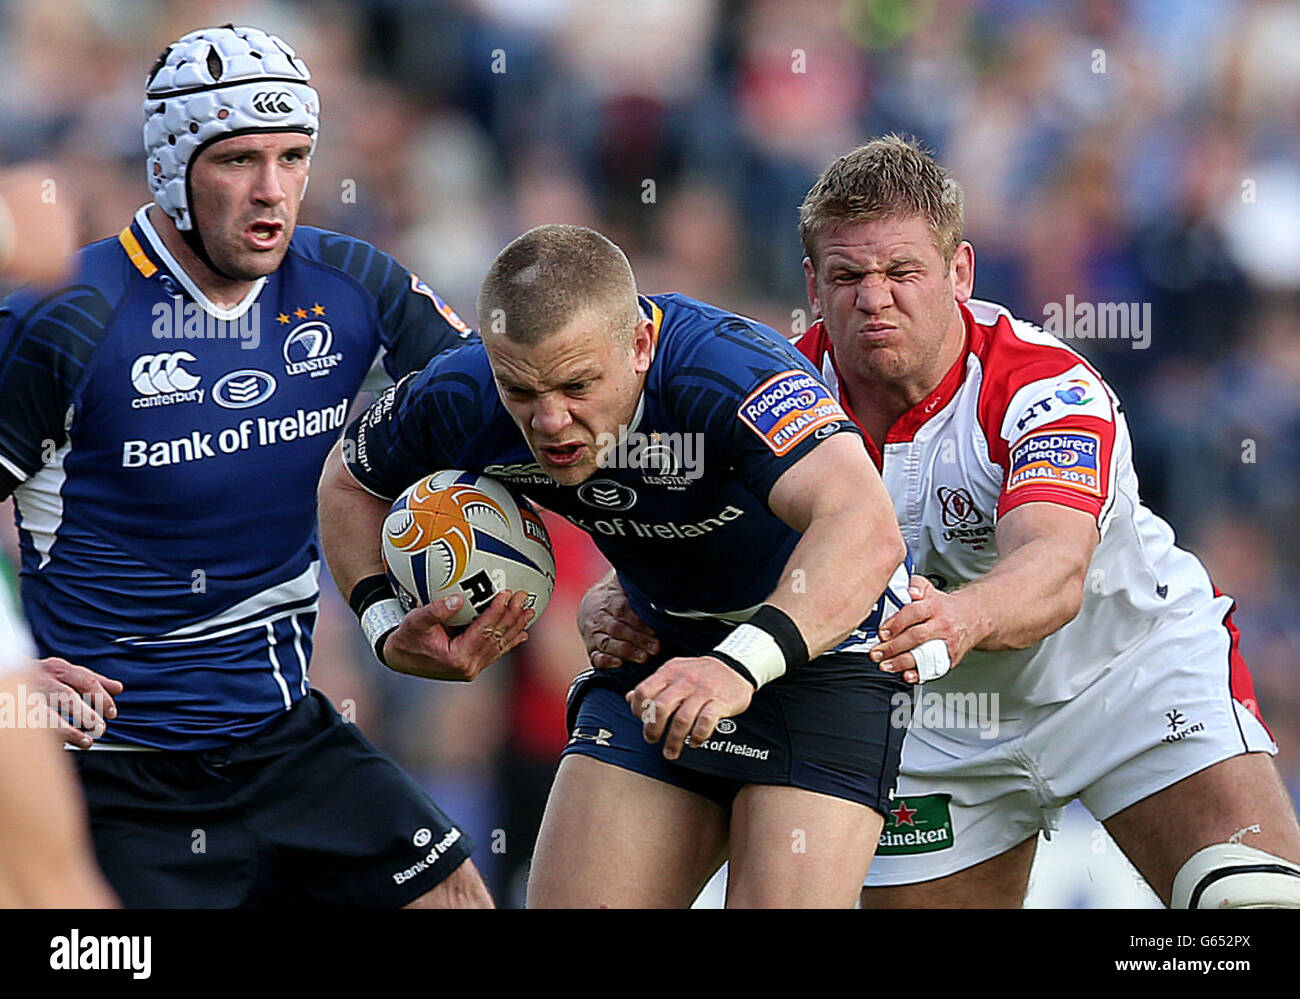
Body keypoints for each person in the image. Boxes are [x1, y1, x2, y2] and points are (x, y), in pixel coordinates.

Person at [581, 135, 1300, 909]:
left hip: (1126, 679)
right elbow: (696, 545)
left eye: (902, 271)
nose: (875, 297)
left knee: (1252, 903)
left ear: (960, 272)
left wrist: (963, 615)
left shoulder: (1046, 388)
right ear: (813, 287)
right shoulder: (767, 400)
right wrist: (621, 599)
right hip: (932, 727)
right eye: (848, 275)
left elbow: (1055, 568)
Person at [0, 24, 500, 908]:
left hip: (282, 736)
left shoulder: (351, 284)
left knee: (454, 895)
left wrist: (628, 581)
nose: (272, 191)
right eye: (236, 160)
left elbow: (512, 420)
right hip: (112, 765)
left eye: (294, 155)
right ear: (170, 169)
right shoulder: (65, 316)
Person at [318, 222, 951, 908]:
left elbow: (863, 525)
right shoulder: (463, 391)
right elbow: (349, 481)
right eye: (522, 392)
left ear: (640, 345)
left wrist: (736, 664)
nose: (552, 420)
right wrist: (384, 621)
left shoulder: (725, 370)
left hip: (825, 657)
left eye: (577, 385)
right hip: (658, 649)